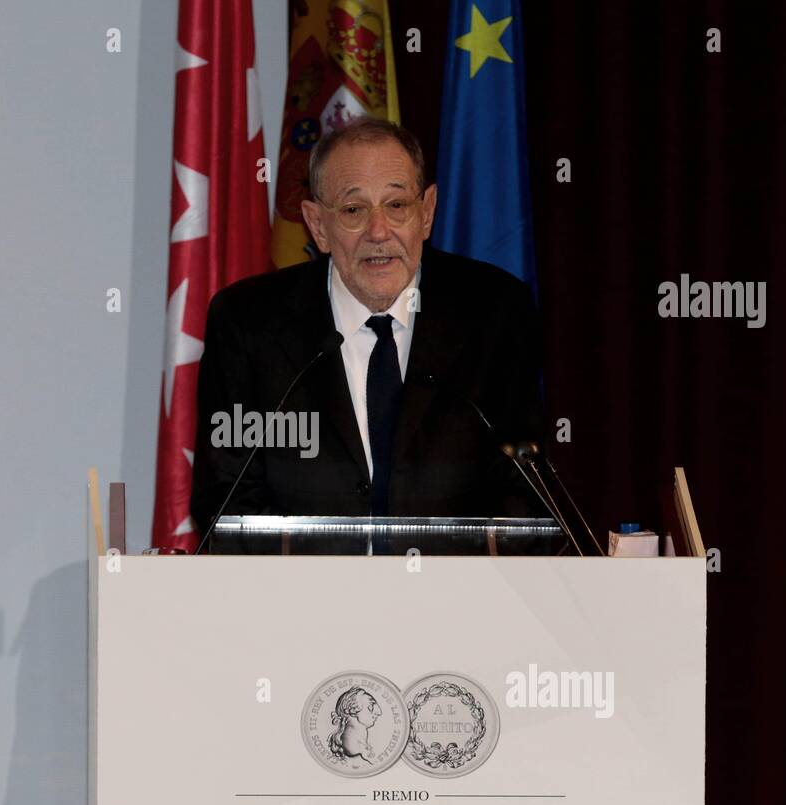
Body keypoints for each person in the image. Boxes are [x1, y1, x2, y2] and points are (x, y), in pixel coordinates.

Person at [191, 117, 545, 536]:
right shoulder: (248, 323)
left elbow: (524, 486)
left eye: (397, 206)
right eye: (354, 210)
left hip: (453, 595)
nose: (379, 232)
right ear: (318, 225)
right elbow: (227, 496)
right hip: (301, 597)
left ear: (426, 212)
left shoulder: (495, 312)